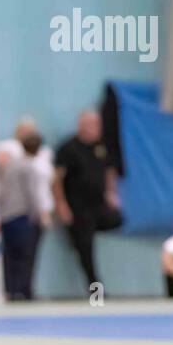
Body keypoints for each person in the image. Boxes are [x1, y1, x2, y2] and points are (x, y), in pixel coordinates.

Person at [53, 110, 123, 291]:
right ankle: (96, 293)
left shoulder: (101, 147)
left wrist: (110, 193)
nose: (97, 129)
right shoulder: (68, 148)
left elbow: (109, 171)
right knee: (86, 250)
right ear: (82, 126)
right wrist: (61, 205)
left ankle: (80, 236)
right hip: (79, 208)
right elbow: (57, 179)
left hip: (98, 205)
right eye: (93, 125)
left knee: (118, 218)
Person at [0, 132, 51, 300]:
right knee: (25, 256)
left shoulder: (12, 165)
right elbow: (32, 193)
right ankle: (24, 290)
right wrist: (41, 214)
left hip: (6, 215)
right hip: (22, 215)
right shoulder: (30, 167)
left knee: (10, 256)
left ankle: (11, 290)